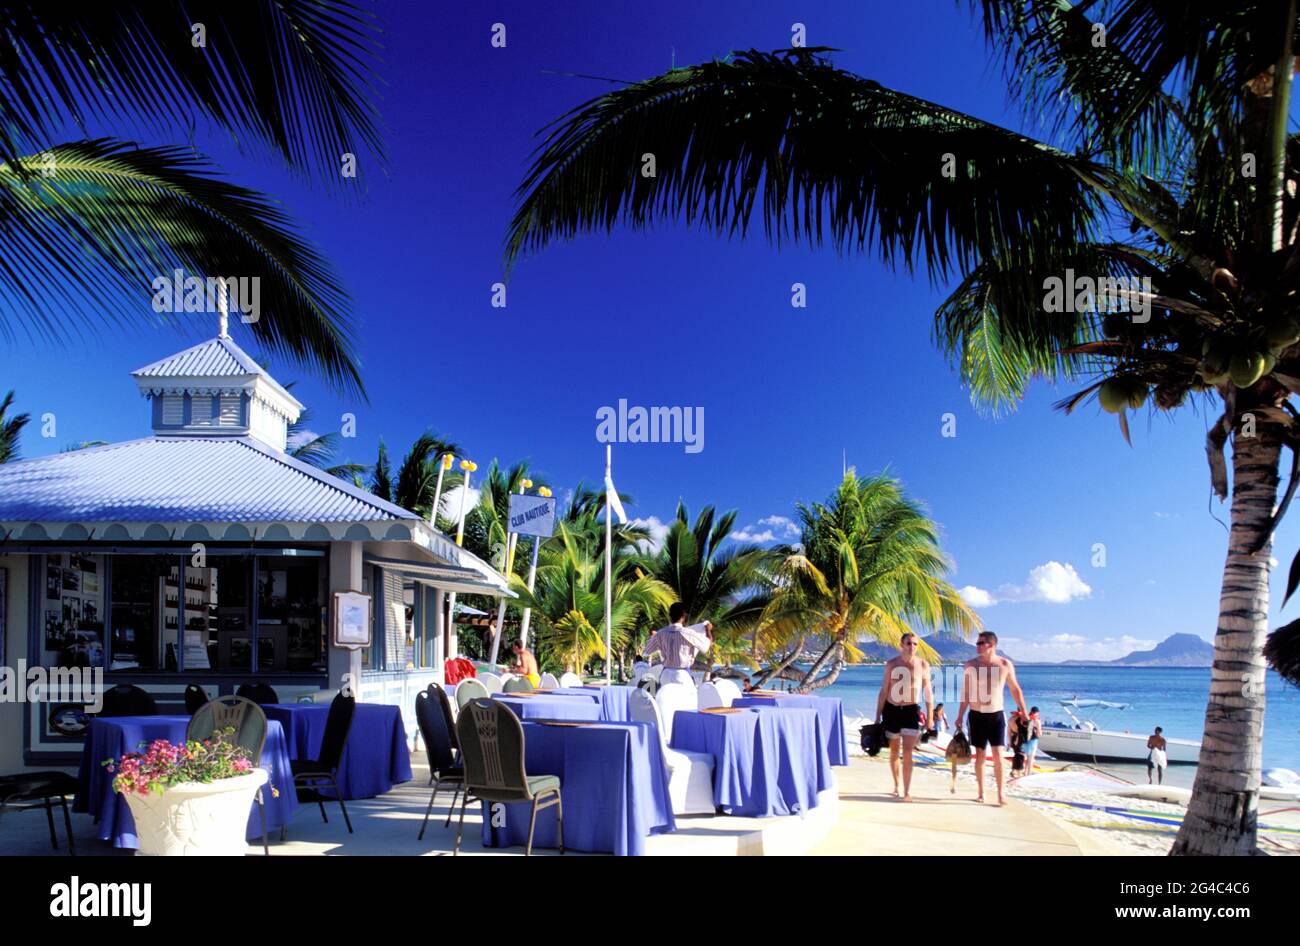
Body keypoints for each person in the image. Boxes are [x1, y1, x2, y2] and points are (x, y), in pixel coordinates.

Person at [956, 631, 1026, 806]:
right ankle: (981, 792)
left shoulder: (1004, 664)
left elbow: (1015, 689)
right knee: (979, 754)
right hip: (976, 715)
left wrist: (1023, 712)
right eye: (977, 643)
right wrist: (959, 715)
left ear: (991, 645)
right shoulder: (971, 665)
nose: (977, 646)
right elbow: (966, 692)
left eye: (981, 643)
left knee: (998, 754)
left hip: (996, 715)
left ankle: (1001, 793)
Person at [875, 632, 932, 802]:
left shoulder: (923, 664)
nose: (912, 647)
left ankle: (907, 791)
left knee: (908, 752)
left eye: (915, 644)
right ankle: (896, 785)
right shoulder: (891, 664)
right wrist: (877, 716)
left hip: (910, 711)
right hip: (892, 710)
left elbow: (928, 691)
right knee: (894, 751)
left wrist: (930, 717)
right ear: (901, 644)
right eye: (908, 643)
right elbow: (884, 690)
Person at [643, 603, 713, 686]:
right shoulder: (689, 634)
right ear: (684, 616)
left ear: (670, 615)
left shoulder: (660, 634)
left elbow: (647, 650)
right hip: (682, 676)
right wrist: (708, 630)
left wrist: (654, 636)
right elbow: (707, 644)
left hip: (665, 676)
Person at [1020, 706, 1042, 777]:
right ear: (1038, 713)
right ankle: (1028, 774)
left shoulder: (1027, 718)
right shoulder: (1037, 721)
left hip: (1025, 740)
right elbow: (1039, 734)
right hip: (1033, 741)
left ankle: (1025, 772)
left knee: (1027, 757)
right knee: (1031, 758)